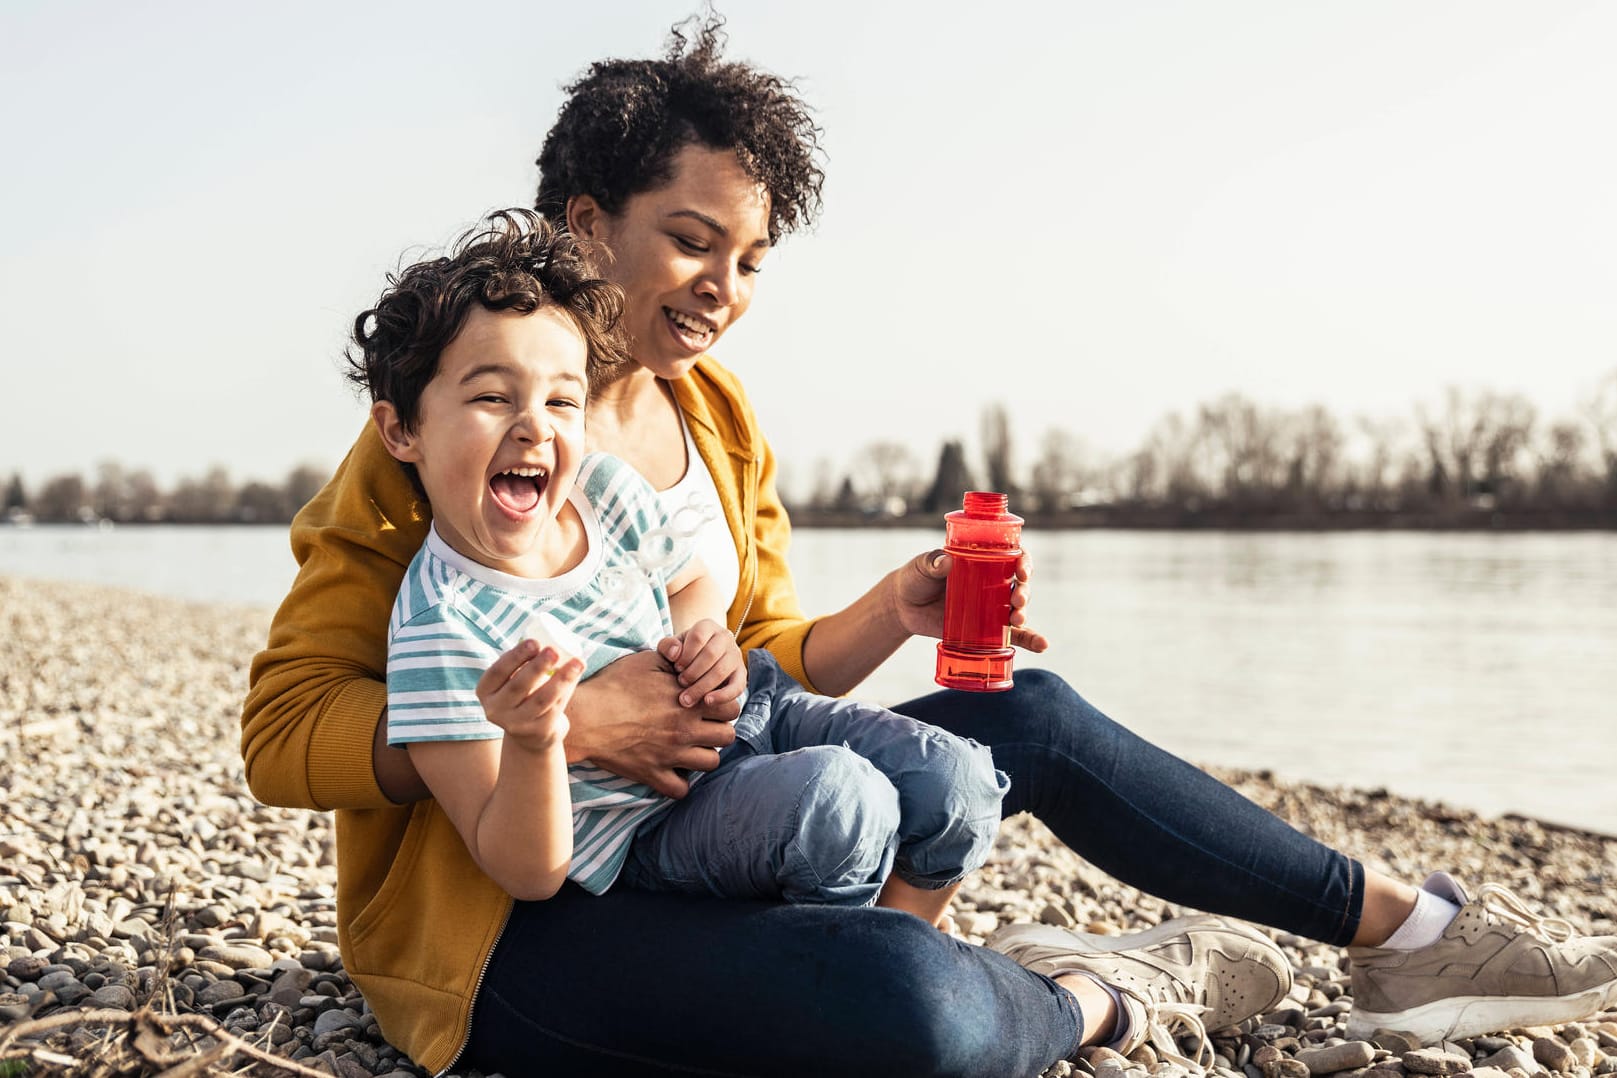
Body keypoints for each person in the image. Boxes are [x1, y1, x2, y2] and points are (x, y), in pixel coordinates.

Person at [240, 13, 1617, 1076]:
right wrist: (566, 723)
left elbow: (761, 669)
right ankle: (1105, 984)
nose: (724, 287)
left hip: (732, 819)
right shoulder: (460, 443)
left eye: (753, 257)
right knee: (906, 1009)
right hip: (532, 918)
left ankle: (1415, 934)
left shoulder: (712, 421)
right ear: (584, 224)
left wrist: (900, 610)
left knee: (1030, 710)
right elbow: (285, 726)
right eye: (689, 240)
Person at [356, 207, 1011, 927]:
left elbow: (691, 580)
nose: (534, 424)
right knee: (840, 800)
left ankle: (902, 945)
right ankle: (855, 965)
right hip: (650, 820)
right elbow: (523, 870)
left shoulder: (603, 488)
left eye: (562, 400)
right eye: (490, 396)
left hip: (753, 708)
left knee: (959, 779)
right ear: (402, 430)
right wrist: (536, 741)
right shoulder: (437, 628)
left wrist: (704, 639)